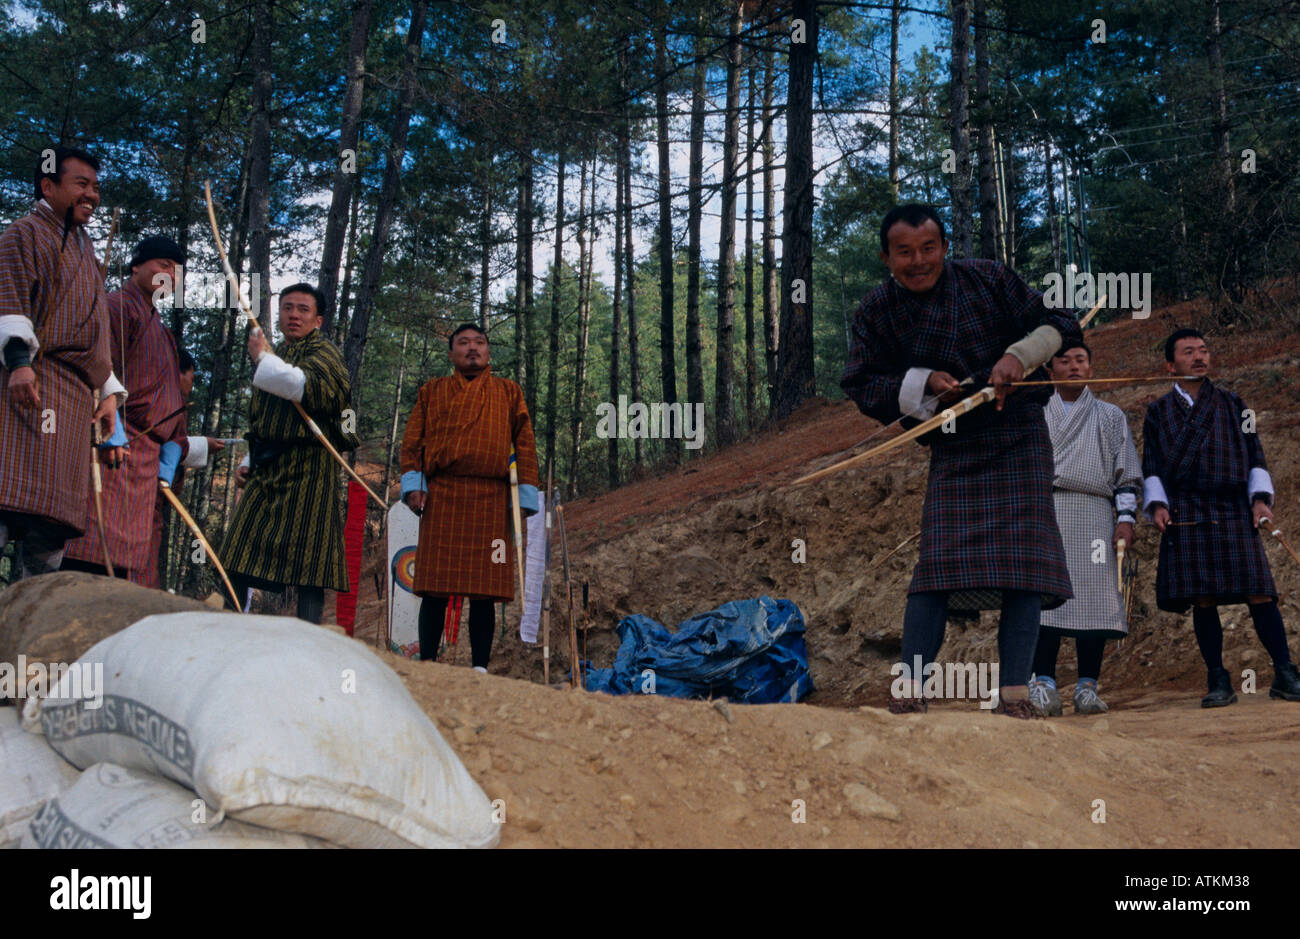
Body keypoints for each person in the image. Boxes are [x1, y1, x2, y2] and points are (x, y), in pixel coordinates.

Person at [840, 203, 1082, 718]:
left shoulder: (988, 278)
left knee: (1025, 566)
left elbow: (1059, 323)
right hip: (953, 445)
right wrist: (923, 383)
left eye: (929, 248)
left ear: (945, 248)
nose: (918, 260)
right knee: (937, 568)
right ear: (886, 257)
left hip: (1018, 433)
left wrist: (1018, 357)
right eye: (904, 252)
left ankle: (1014, 694)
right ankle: (910, 688)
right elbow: (862, 384)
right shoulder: (875, 311)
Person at [1142, 328, 1300, 705]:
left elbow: (1255, 452)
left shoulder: (1236, 405)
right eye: (1188, 352)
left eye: (1203, 351)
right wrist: (1159, 504)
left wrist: (1259, 499)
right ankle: (1218, 680)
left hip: (1232, 507)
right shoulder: (1158, 412)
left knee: (1261, 592)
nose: (1199, 357)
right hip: (1187, 509)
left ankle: (1285, 673)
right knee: (1204, 599)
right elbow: (1151, 464)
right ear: (1170, 364)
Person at [0, 145, 126, 580]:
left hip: (72, 401)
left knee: (50, 526)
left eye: (95, 187)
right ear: (48, 185)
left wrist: (108, 391)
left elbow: (95, 330)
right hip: (25, 386)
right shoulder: (23, 233)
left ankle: (30, 636)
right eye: (81, 184)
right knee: (3, 502)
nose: (91, 194)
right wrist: (18, 361)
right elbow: (9, 298)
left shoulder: (87, 252)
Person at [61, 236, 217, 583]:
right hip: (116, 444)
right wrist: (111, 431)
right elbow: (99, 370)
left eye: (176, 271)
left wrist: (169, 456)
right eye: (163, 265)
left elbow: (171, 402)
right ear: (136, 266)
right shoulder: (117, 306)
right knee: (90, 553)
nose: (170, 275)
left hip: (145, 457)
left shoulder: (160, 330)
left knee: (122, 568)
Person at [399, 323, 539, 673]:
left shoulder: (509, 392)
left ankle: (480, 667)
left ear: (489, 352)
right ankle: (428, 662)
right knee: (434, 586)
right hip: (442, 497)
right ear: (451, 354)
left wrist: (524, 495)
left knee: (485, 589)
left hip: (492, 499)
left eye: (479, 342)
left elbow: (525, 444)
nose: (472, 348)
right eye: (463, 343)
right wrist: (415, 484)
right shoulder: (431, 392)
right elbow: (412, 442)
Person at [219, 283, 356, 624]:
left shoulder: (324, 353)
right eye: (287, 308)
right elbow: (264, 420)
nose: (293, 315)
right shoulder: (280, 352)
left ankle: (309, 639)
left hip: (310, 469)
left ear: (318, 320)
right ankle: (231, 626)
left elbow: (309, 388)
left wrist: (262, 359)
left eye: (303, 309)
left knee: (311, 564)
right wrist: (249, 460)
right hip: (269, 468)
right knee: (239, 551)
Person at [1028, 341, 1141, 716]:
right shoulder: (1035, 410)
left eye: (1081, 360)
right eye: (1065, 361)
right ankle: (1042, 683)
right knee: (1044, 598)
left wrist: (1125, 519)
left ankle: (1087, 686)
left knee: (1093, 597)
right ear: (1050, 370)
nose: (1074, 366)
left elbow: (1126, 474)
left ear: (1091, 368)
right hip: (1047, 508)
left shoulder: (1110, 416)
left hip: (1095, 511)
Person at [144, 346, 226, 589]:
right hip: (146, 491)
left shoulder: (170, 403)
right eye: (191, 376)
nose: (192, 384)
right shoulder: (162, 401)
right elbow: (166, 443)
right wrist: (202, 445)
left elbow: (174, 443)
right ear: (179, 374)